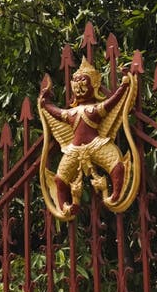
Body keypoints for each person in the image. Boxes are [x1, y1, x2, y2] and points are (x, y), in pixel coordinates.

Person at [39, 58, 131, 216]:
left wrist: (124, 86)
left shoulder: (95, 109)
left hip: (96, 145)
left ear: (94, 85)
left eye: (83, 81)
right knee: (60, 179)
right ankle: (65, 206)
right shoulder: (71, 113)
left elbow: (113, 102)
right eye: (76, 82)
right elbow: (55, 112)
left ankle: (115, 195)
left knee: (117, 167)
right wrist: (45, 103)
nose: (79, 86)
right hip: (74, 150)